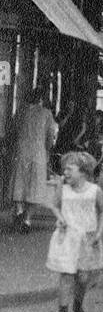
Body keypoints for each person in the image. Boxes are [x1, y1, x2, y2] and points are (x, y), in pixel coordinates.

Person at [47, 151, 103, 312]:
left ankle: (78, 307)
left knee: (83, 278)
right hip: (67, 238)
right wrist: (59, 217)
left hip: (87, 240)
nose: (65, 172)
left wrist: (99, 233)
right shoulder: (63, 189)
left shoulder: (95, 191)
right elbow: (54, 204)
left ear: (83, 172)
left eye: (69, 169)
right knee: (66, 276)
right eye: (64, 169)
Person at [9, 91, 58, 232]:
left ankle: (18, 209)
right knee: (34, 187)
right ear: (41, 100)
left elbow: (12, 130)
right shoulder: (47, 114)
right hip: (38, 154)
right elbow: (50, 136)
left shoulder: (20, 112)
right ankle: (27, 220)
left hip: (21, 152)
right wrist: (48, 149)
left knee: (19, 183)